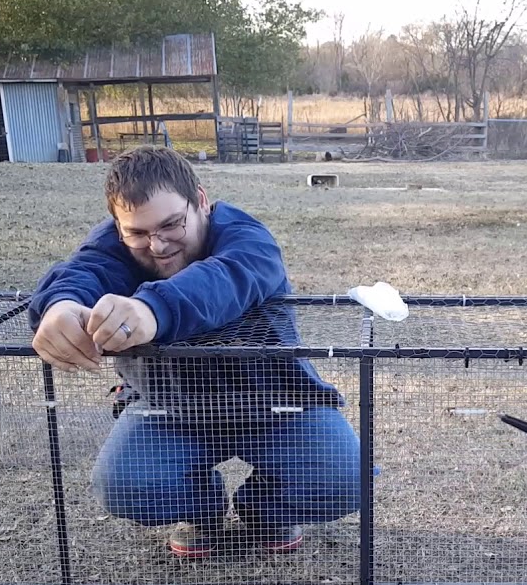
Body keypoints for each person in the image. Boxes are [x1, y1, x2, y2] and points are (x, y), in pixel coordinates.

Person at [27, 145, 361, 560]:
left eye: (171, 224)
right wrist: (58, 306)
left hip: (276, 401)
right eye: (137, 233)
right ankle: (201, 510)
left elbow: (225, 279)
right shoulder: (117, 244)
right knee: (123, 484)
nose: (157, 245)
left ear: (201, 201)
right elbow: (84, 271)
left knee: (347, 477)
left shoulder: (248, 238)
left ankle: (266, 511)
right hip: (169, 406)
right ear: (118, 226)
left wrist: (151, 309)